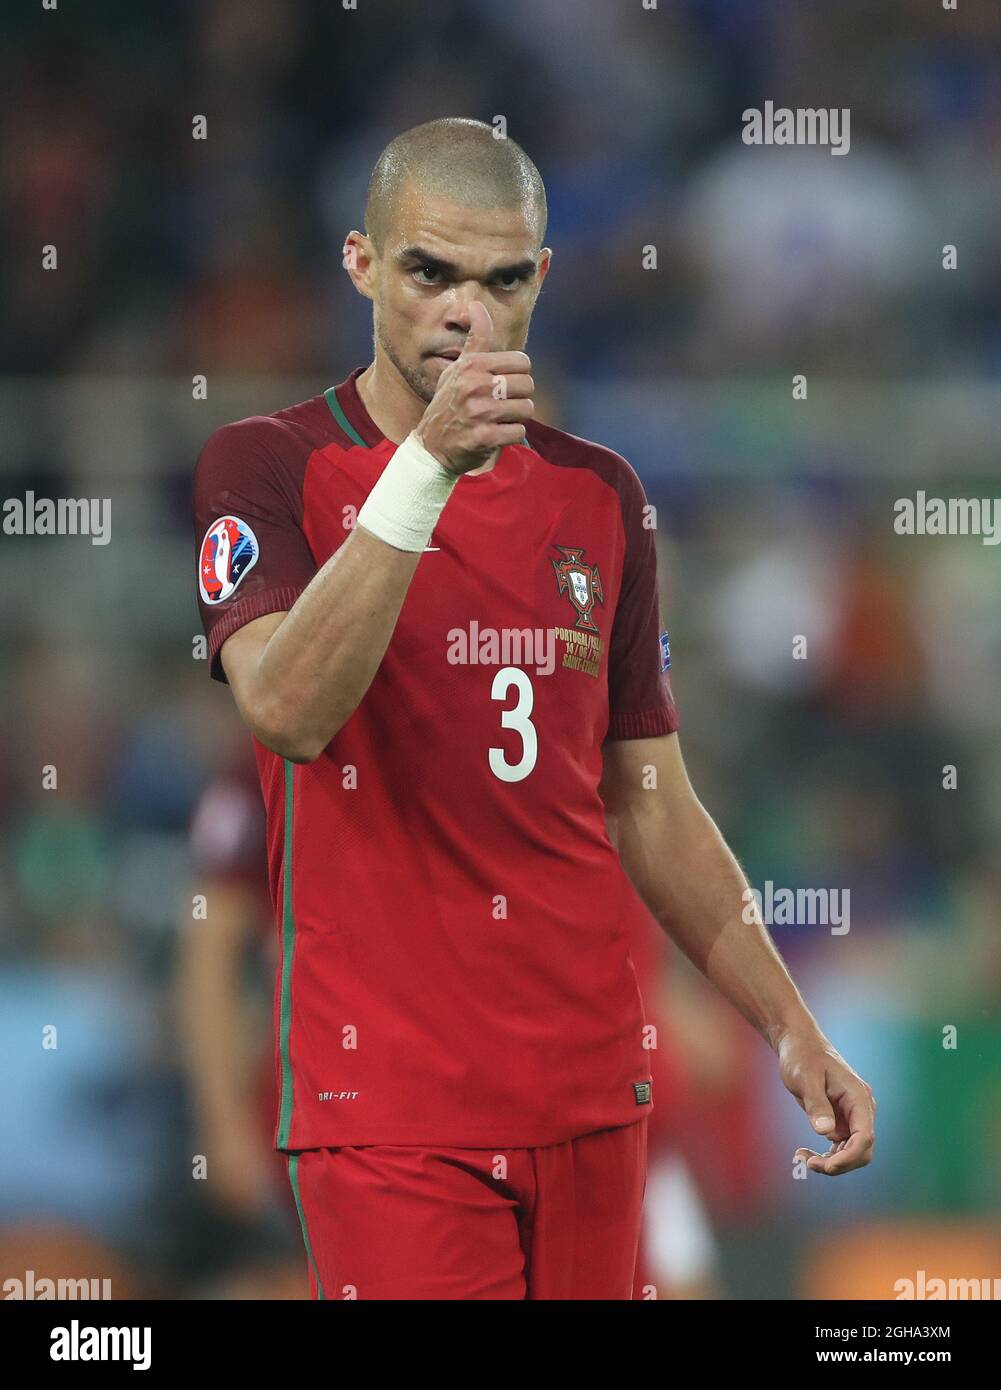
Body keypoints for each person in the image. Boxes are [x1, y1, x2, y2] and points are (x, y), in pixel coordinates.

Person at [192, 117, 875, 1301]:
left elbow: (652, 804)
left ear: (541, 279)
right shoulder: (263, 468)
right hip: (389, 1107)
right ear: (360, 263)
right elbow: (288, 708)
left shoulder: (597, 493)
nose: (469, 313)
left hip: (591, 1091)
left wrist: (786, 1023)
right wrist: (428, 470)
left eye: (503, 281)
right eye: (431, 274)